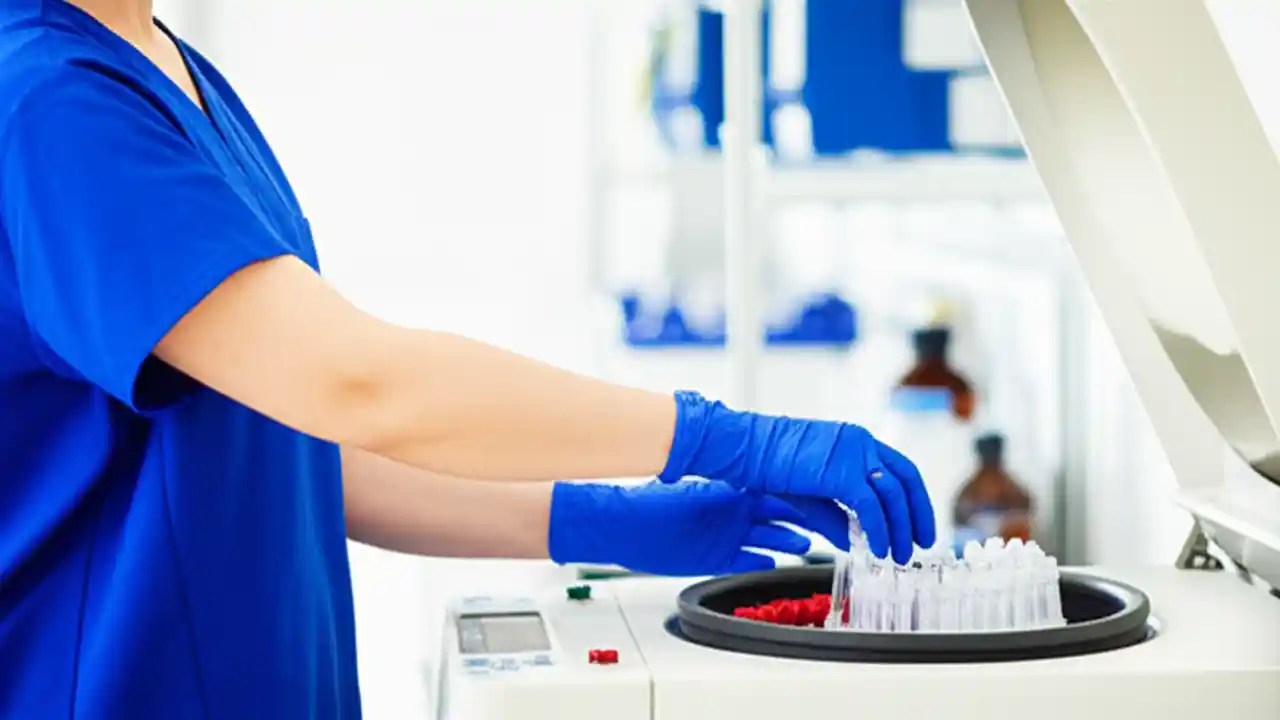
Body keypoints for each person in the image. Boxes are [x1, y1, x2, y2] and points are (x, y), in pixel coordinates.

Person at [0, 1, 937, 717]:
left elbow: (290, 445)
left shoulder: (162, 66)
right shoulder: (50, 99)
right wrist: (713, 435)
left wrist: (593, 521)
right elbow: (360, 383)